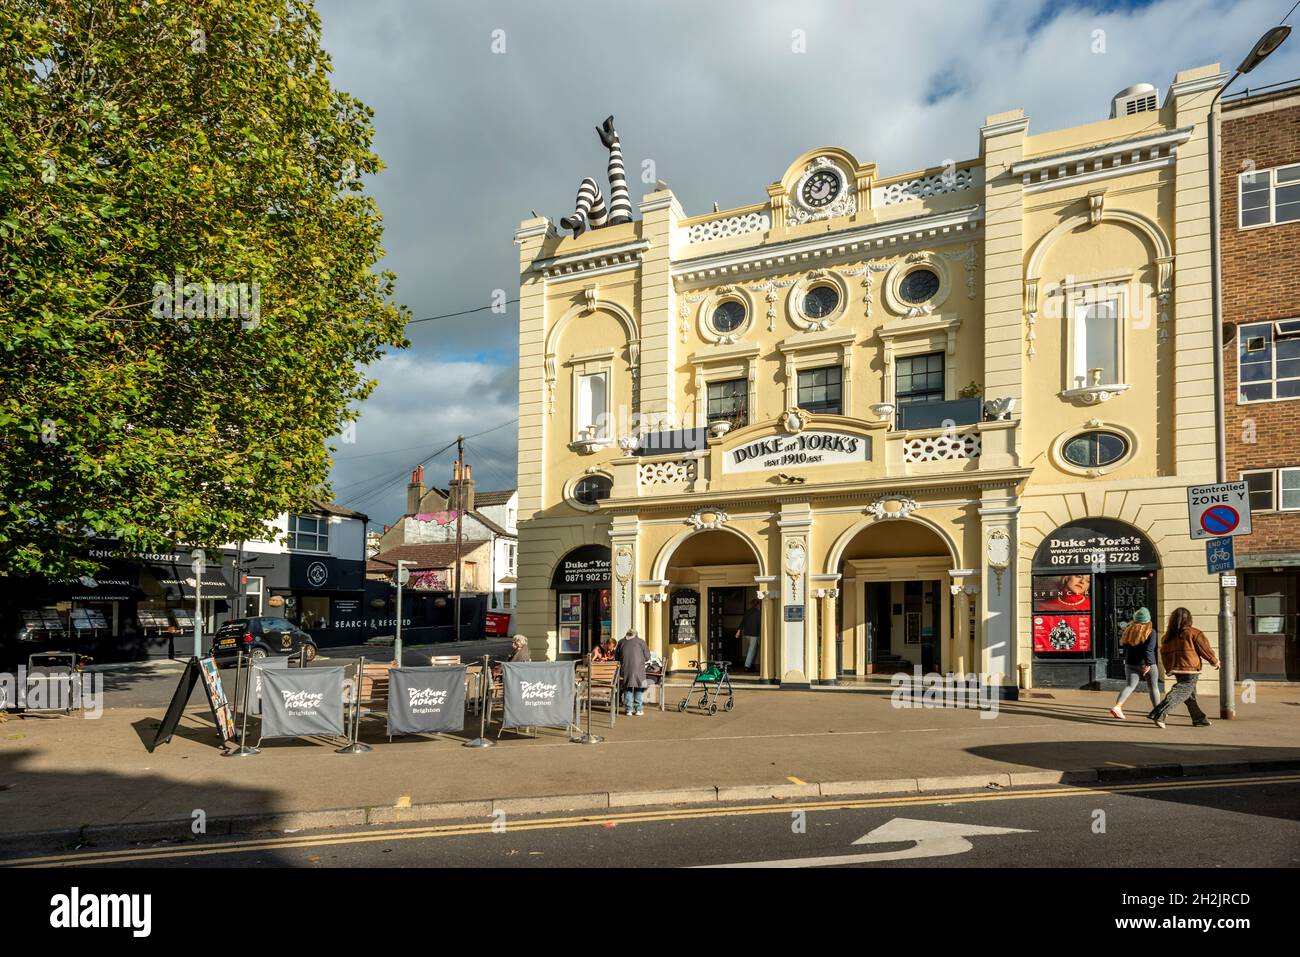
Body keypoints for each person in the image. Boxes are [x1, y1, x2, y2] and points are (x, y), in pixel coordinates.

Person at [1149, 607, 1219, 729]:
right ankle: (1159, 714)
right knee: (1180, 692)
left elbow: (1164, 654)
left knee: (1189, 695)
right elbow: (1205, 650)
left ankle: (1199, 719)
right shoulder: (1194, 633)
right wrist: (1215, 661)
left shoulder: (1167, 637)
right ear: (1189, 619)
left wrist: (1168, 668)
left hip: (1177, 669)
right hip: (1190, 669)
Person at [1109, 607, 1160, 720]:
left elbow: (1126, 646)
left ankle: (1117, 707)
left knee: (1130, 686)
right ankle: (1158, 712)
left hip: (1130, 663)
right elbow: (1149, 650)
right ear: (1148, 619)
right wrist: (1149, 664)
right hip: (1146, 664)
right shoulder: (1151, 632)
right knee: (1153, 687)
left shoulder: (1129, 630)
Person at [615, 629, 650, 717]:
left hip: (625, 669)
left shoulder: (621, 642)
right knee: (638, 687)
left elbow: (616, 657)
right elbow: (647, 657)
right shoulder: (641, 641)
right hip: (638, 669)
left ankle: (628, 710)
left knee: (627, 688)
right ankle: (638, 709)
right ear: (636, 635)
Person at [735, 599, 761, 672]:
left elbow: (742, 622)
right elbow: (760, 624)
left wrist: (738, 632)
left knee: (754, 648)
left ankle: (751, 664)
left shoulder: (747, 612)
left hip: (747, 633)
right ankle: (747, 666)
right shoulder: (758, 613)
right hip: (754, 634)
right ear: (758, 605)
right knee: (752, 649)